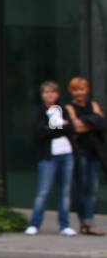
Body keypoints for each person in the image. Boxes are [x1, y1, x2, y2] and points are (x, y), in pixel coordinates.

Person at [25, 81, 77, 236]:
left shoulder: (63, 109)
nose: (50, 95)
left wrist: (54, 128)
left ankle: (64, 225)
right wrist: (60, 126)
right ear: (42, 95)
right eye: (47, 92)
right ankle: (35, 224)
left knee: (64, 191)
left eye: (53, 92)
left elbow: (71, 128)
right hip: (49, 156)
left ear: (57, 94)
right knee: (44, 191)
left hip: (66, 154)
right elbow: (41, 132)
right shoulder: (40, 111)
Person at [65, 76, 106, 235]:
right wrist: (92, 121)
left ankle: (88, 221)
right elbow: (75, 127)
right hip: (80, 150)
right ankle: (84, 221)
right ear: (71, 91)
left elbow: (101, 123)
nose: (79, 92)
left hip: (95, 151)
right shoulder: (69, 107)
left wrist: (85, 122)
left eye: (81, 89)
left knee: (92, 188)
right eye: (76, 89)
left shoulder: (93, 104)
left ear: (86, 90)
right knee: (81, 187)